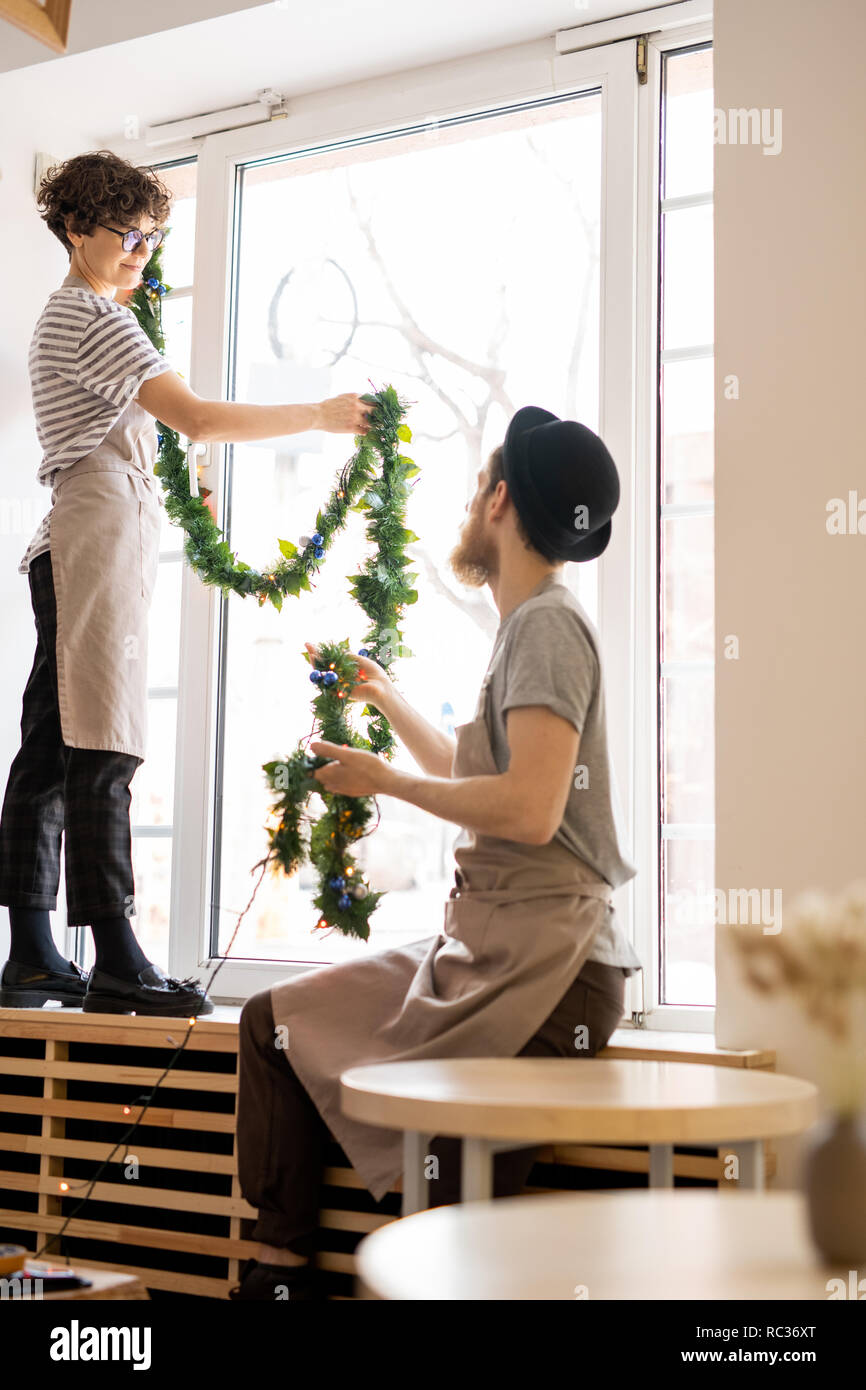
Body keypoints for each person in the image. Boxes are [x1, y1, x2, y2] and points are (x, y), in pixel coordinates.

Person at [231, 405, 643, 1300]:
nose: (467, 507)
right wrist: (391, 703)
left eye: (474, 490)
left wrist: (382, 783)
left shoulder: (546, 629)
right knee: (274, 1024)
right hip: (499, 947)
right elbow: (481, 775)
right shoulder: (529, 627)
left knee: (443, 1214)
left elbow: (530, 811)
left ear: (498, 501)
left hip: (551, 967)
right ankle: (276, 1279)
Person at [0, 149, 372, 1017]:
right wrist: (317, 415)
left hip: (88, 527)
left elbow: (144, 424)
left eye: (151, 236)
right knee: (105, 742)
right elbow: (196, 413)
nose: (140, 249)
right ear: (72, 230)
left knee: (54, 745)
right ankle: (118, 958)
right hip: (95, 529)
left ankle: (32, 953)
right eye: (125, 234)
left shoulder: (79, 315)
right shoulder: (95, 318)